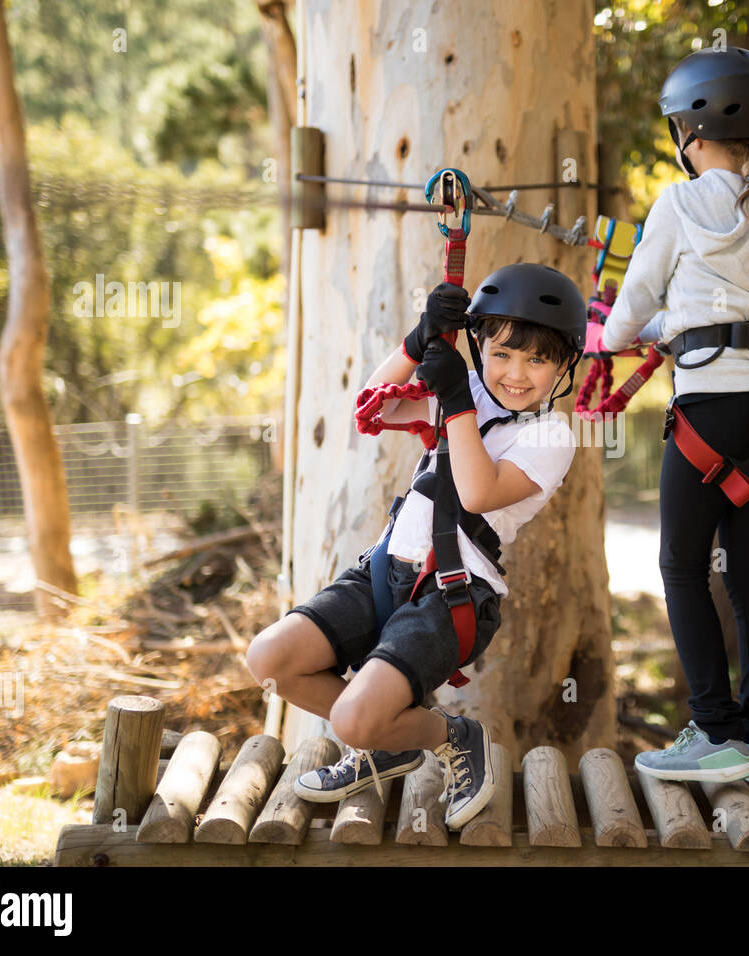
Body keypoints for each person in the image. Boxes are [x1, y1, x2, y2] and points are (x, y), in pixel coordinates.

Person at [247, 264, 586, 828]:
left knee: (352, 721)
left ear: (564, 365)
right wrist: (417, 340)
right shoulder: (468, 391)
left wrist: (454, 398)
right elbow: (374, 408)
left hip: (452, 597)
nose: (516, 373)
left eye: (537, 360)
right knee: (270, 662)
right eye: (501, 353)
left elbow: (478, 493)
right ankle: (387, 738)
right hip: (384, 574)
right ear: (479, 348)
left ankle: (450, 735)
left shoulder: (550, 436)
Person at [599, 46, 749, 784]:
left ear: (690, 129)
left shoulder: (678, 202)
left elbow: (631, 311)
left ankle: (713, 732)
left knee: (682, 566)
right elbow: (715, 308)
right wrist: (672, 326)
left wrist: (615, 333)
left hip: (709, 405)